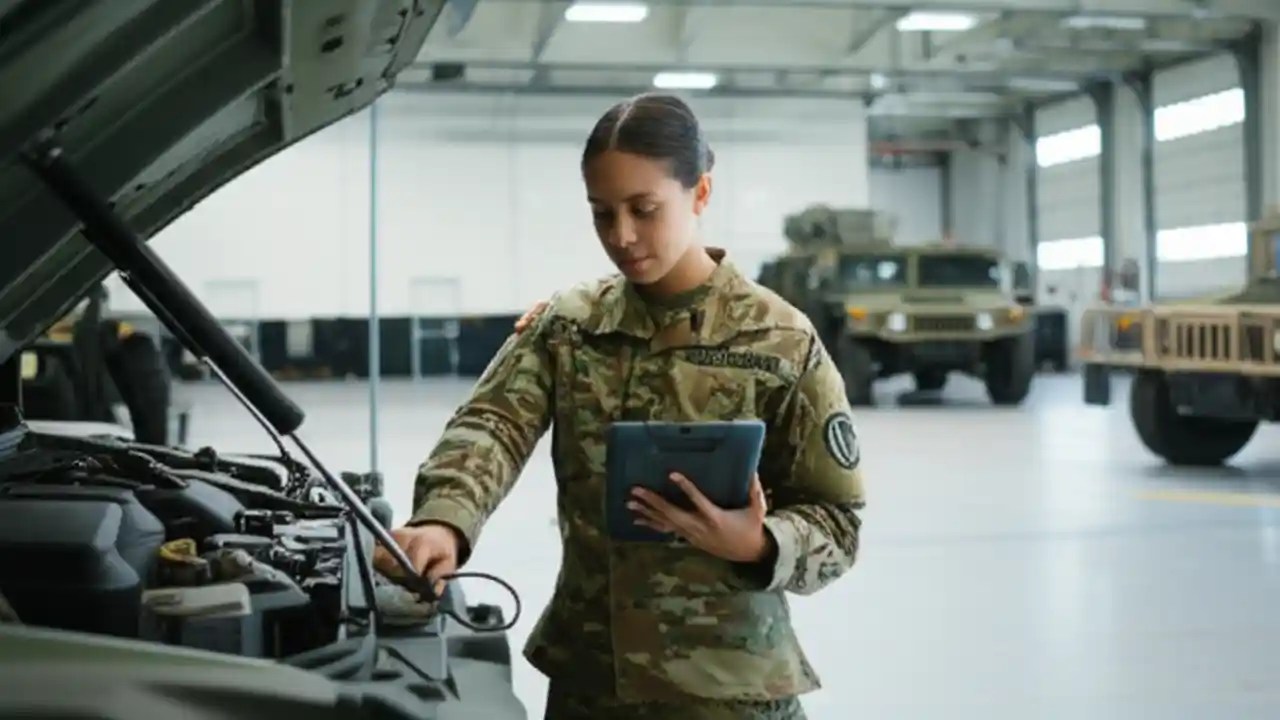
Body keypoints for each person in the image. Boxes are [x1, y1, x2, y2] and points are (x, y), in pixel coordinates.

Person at [374, 92, 867, 720]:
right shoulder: (570, 324)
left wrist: (757, 543)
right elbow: (491, 426)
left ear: (702, 194)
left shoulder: (780, 340)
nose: (622, 236)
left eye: (645, 209)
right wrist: (445, 520)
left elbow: (838, 521)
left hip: (729, 690)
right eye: (602, 213)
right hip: (592, 680)